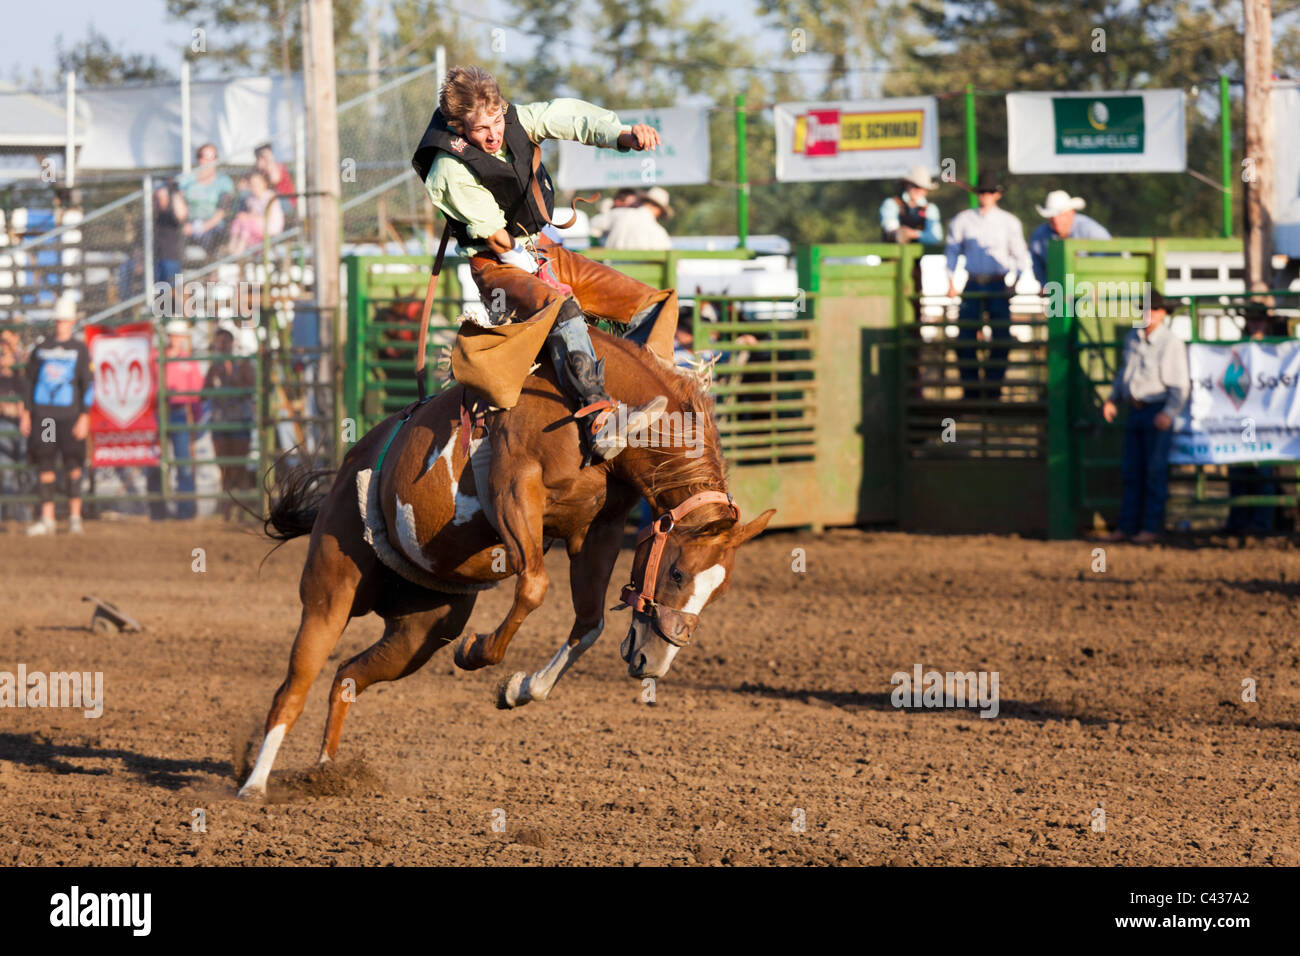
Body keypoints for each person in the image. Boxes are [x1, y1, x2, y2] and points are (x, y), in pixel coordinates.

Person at [411, 65, 672, 461]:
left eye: (497, 119)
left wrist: (622, 135)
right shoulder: (448, 167)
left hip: (545, 249)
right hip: (498, 265)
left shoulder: (520, 120)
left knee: (652, 305)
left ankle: (648, 392)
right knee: (559, 306)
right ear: (458, 126)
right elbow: (495, 236)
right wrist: (529, 264)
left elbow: (570, 117)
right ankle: (598, 417)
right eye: (481, 128)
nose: (494, 133)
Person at [1102, 291, 1190, 543]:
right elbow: (1124, 373)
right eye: (1144, 309)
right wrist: (1113, 398)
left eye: (1152, 310)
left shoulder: (1170, 343)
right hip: (1136, 409)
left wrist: (1169, 412)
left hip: (1156, 409)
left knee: (1154, 471)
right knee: (1132, 470)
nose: (1147, 314)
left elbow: (1180, 384)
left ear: (1163, 313)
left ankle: (1150, 527)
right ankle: (1127, 526)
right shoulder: (1133, 338)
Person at [944, 171, 1033, 401]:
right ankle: (972, 391)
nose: (986, 196)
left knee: (1001, 337)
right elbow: (952, 250)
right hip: (972, 282)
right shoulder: (963, 220)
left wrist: (1016, 282)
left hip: (998, 285)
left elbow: (1020, 254)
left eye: (990, 192)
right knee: (965, 338)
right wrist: (950, 280)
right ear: (978, 194)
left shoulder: (1009, 222)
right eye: (983, 192)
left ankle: (992, 390)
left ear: (997, 195)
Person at [20, 295, 93, 536]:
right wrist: (27, 413)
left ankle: (74, 517)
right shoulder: (41, 349)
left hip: (70, 416)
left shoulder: (80, 350)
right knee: (46, 463)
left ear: (72, 322)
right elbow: (29, 382)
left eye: (65, 320)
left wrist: (85, 416)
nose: (61, 324)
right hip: (47, 417)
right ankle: (48, 518)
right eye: (58, 320)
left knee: (73, 464)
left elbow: (87, 385)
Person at [1226, 304, 1283, 534]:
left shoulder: (1277, 350)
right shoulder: (1240, 349)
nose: (1256, 324)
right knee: (1239, 468)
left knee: (1263, 470)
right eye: (1252, 320)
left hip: (1268, 418)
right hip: (1244, 417)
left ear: (1266, 323)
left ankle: (1261, 523)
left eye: (1259, 320)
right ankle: (1239, 521)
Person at [147, 320, 204, 519]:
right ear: (169, 337)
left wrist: (195, 420)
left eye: (180, 336)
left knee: (183, 463)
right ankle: (158, 510)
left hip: (181, 412)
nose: (177, 339)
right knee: (156, 461)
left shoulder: (188, 360)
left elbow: (196, 393)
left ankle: (186, 510)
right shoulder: (157, 358)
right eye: (174, 335)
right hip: (160, 412)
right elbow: (152, 383)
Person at [203, 326, 257, 520]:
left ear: (232, 343)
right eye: (219, 342)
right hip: (221, 421)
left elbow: (250, 389)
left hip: (239, 421)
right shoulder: (214, 366)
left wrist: (230, 376)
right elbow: (204, 392)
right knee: (225, 468)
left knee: (240, 467)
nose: (222, 345)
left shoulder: (243, 364)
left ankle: (241, 511)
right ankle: (227, 511)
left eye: (225, 341)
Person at [1028, 189, 1111, 287]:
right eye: (1052, 217)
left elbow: (1109, 255)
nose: (1056, 220)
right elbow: (1038, 267)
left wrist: (1096, 284)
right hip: (1059, 291)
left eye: (1060, 215)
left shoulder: (1090, 229)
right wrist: (1045, 285)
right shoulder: (1040, 235)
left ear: (1071, 213)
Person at [178, 143, 236, 254]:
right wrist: (185, 225)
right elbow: (179, 205)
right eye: (203, 156)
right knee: (173, 239)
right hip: (189, 224)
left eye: (211, 157)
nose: (207, 161)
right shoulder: (187, 180)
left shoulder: (223, 181)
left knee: (208, 239)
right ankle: (177, 272)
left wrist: (201, 227)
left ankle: (209, 269)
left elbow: (222, 210)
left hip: (213, 226)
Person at [0, 331, 32, 523]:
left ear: (17, 338)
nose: (5, 343)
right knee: (6, 470)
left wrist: (15, 366)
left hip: (24, 420)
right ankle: (9, 515)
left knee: (26, 467)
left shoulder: (25, 357)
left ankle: (24, 514)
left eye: (8, 339)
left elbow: (30, 381)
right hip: (4, 418)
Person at [226, 170, 285, 255]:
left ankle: (240, 249)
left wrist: (248, 217)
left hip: (270, 227)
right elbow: (252, 215)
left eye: (257, 183)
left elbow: (267, 217)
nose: (254, 186)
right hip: (256, 227)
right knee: (238, 220)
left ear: (264, 183)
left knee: (247, 222)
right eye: (252, 184)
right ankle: (232, 246)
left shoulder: (270, 197)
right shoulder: (251, 199)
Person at [879, 166, 942, 244]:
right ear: (907, 185)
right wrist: (901, 233)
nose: (918, 190)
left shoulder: (930, 209)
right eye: (915, 186)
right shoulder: (891, 203)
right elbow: (891, 228)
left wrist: (913, 234)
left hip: (920, 256)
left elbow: (935, 237)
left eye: (922, 187)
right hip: (893, 255)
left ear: (926, 190)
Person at [602, 185, 673, 250]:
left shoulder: (618, 214)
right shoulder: (660, 233)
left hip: (611, 263)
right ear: (659, 210)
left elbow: (594, 227)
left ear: (643, 201)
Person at [153, 180, 188, 289]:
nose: (160, 199)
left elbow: (181, 215)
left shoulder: (172, 211)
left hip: (171, 257)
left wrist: (174, 192)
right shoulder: (153, 214)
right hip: (154, 258)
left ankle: (172, 305)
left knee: (171, 289)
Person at [254, 142, 296, 215]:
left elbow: (275, 179)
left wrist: (269, 158)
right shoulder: (261, 172)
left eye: (259, 159)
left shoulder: (277, 167)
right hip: (270, 201)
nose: (257, 162)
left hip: (285, 201)